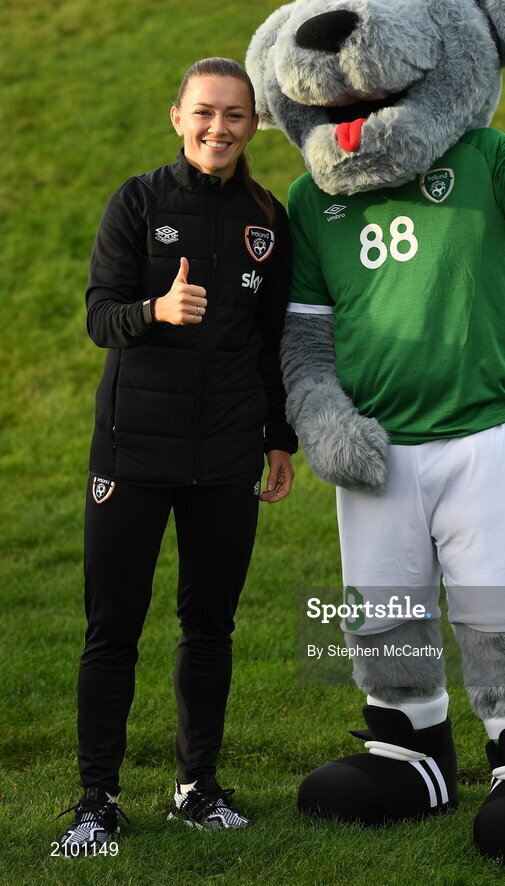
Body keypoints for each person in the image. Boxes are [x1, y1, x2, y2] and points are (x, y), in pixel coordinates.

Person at [55, 57, 296, 855]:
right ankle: (97, 801)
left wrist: (278, 439)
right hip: (130, 454)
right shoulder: (138, 201)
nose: (217, 128)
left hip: (226, 456)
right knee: (112, 629)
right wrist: (156, 310)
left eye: (233, 115)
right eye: (204, 113)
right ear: (177, 116)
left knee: (209, 627)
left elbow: (272, 345)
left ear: (252, 125)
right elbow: (99, 316)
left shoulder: (267, 217)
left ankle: (197, 787)